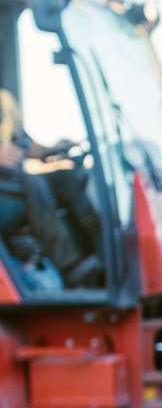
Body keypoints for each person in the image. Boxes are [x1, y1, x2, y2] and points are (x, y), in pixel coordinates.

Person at [0, 89, 103, 287]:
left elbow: (29, 148)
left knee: (66, 177)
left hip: (13, 187)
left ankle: (102, 251)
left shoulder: (5, 105)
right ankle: (69, 266)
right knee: (31, 181)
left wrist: (56, 148)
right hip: (5, 196)